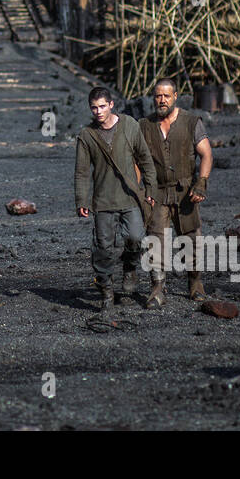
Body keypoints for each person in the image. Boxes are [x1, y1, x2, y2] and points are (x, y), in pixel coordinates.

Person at [75, 86, 157, 317]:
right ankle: (107, 292)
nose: (98, 111)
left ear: (111, 105)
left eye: (102, 106)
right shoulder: (87, 135)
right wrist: (81, 199)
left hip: (129, 197)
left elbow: (145, 158)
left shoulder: (130, 125)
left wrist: (150, 187)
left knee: (136, 237)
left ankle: (130, 266)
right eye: (94, 107)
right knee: (103, 249)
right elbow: (81, 171)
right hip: (102, 202)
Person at [138, 78, 213, 307]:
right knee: (154, 240)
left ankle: (195, 283)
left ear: (175, 96)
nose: (161, 100)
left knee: (190, 237)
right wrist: (137, 190)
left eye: (166, 96)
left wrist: (201, 182)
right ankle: (157, 288)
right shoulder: (145, 125)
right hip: (157, 192)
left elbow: (207, 155)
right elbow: (138, 161)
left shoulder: (191, 122)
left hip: (185, 192)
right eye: (158, 96)